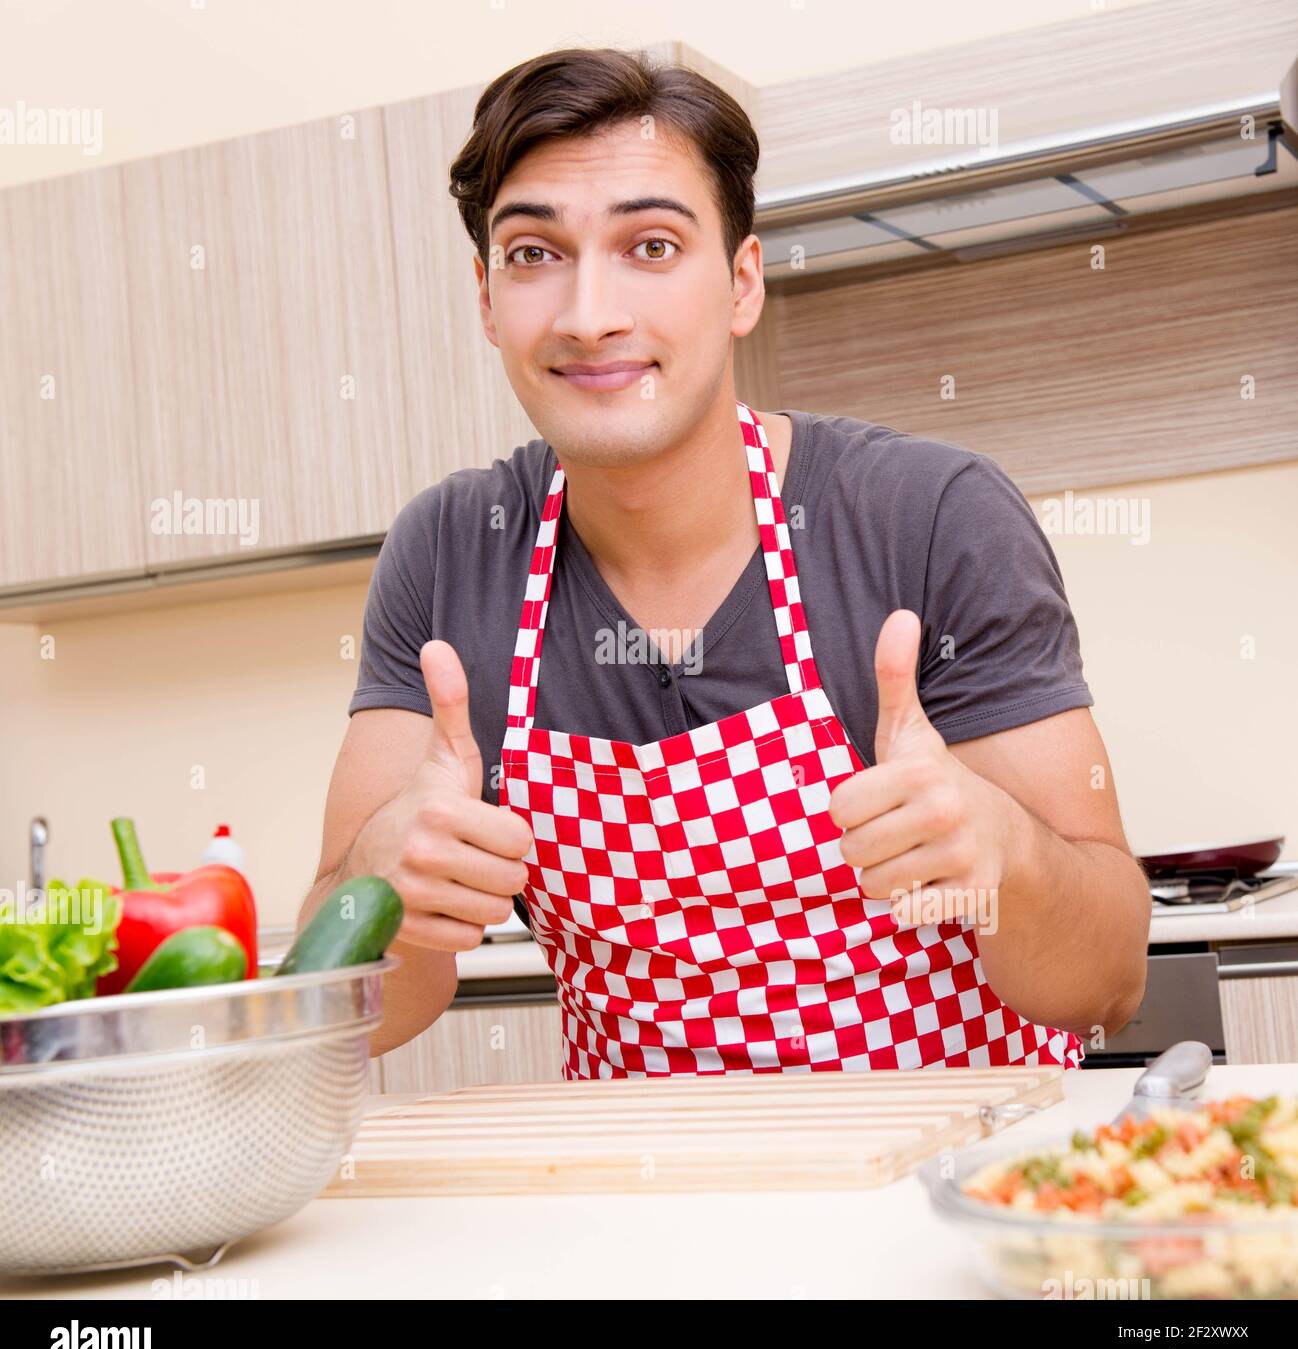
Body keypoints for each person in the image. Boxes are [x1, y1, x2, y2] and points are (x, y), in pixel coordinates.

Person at [299, 46, 1149, 1078]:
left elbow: (1107, 980)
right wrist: (382, 891)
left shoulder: (928, 516)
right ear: (485, 299)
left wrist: (1002, 852)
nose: (586, 314)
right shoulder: (447, 553)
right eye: (533, 254)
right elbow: (361, 1014)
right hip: (640, 1208)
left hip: (942, 1189)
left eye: (649, 246)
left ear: (741, 282)